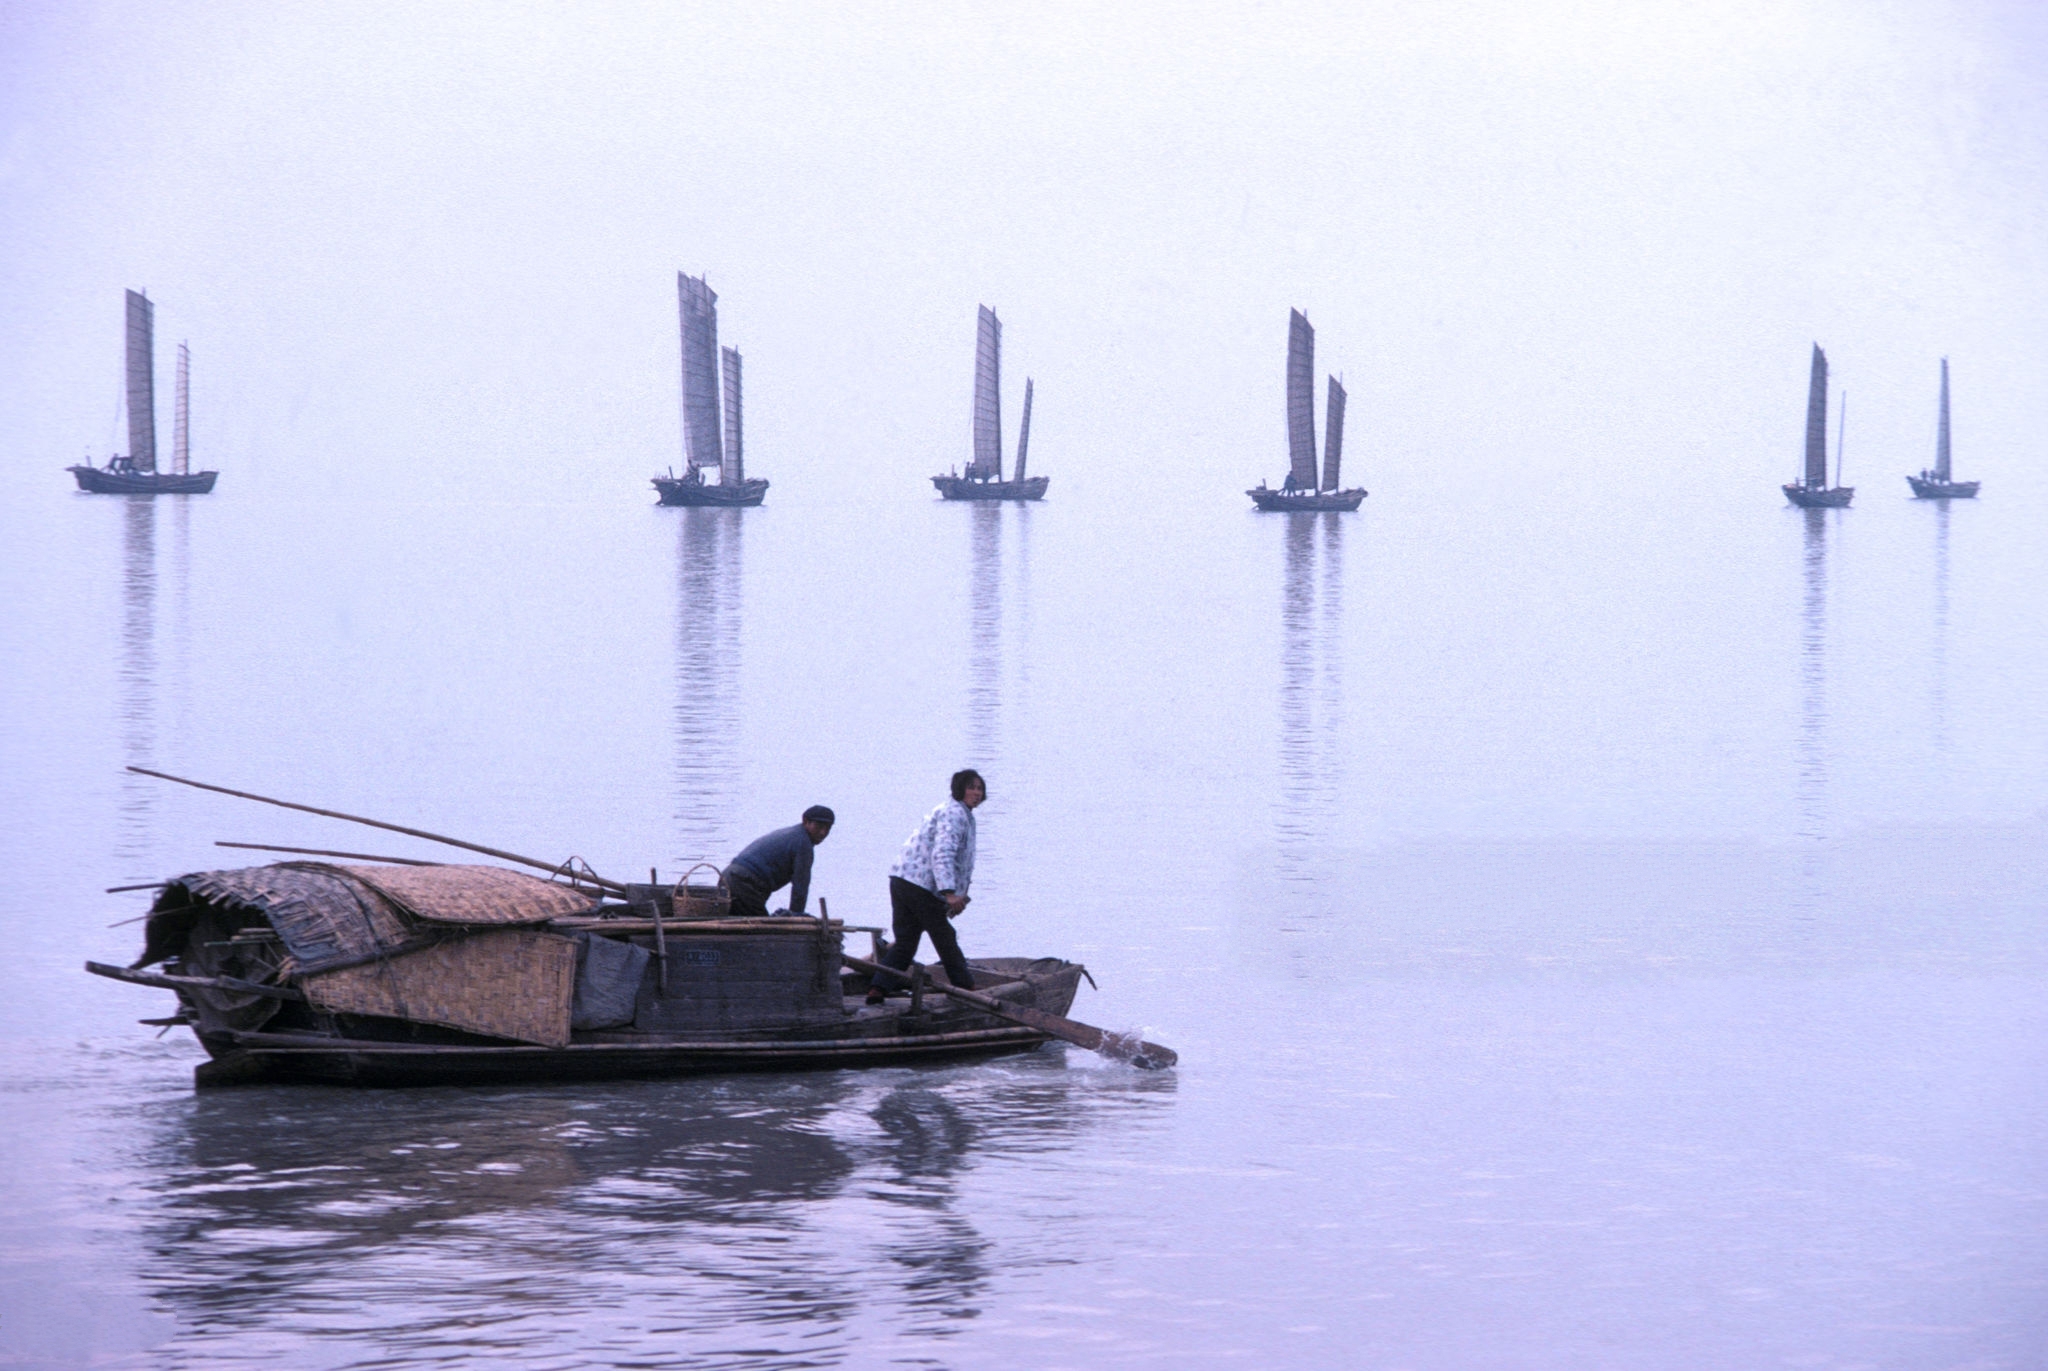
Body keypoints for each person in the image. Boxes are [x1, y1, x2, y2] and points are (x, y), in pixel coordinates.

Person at [869, 769, 985, 1003]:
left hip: (903, 879)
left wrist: (956, 895)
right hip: (918, 884)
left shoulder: (960, 813)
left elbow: (959, 861)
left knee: (906, 942)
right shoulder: (954, 813)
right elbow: (942, 853)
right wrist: (949, 893)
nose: (976, 793)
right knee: (944, 935)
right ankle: (966, 987)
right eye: (971, 787)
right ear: (959, 790)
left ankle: (877, 989)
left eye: (980, 788)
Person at [722, 805, 834, 918]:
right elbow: (800, 886)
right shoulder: (803, 844)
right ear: (805, 822)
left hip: (728, 877)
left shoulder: (793, 835)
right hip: (743, 882)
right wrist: (796, 917)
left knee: (741, 921)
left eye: (827, 828)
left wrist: (794, 914)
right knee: (763, 926)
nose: (823, 832)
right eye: (819, 826)